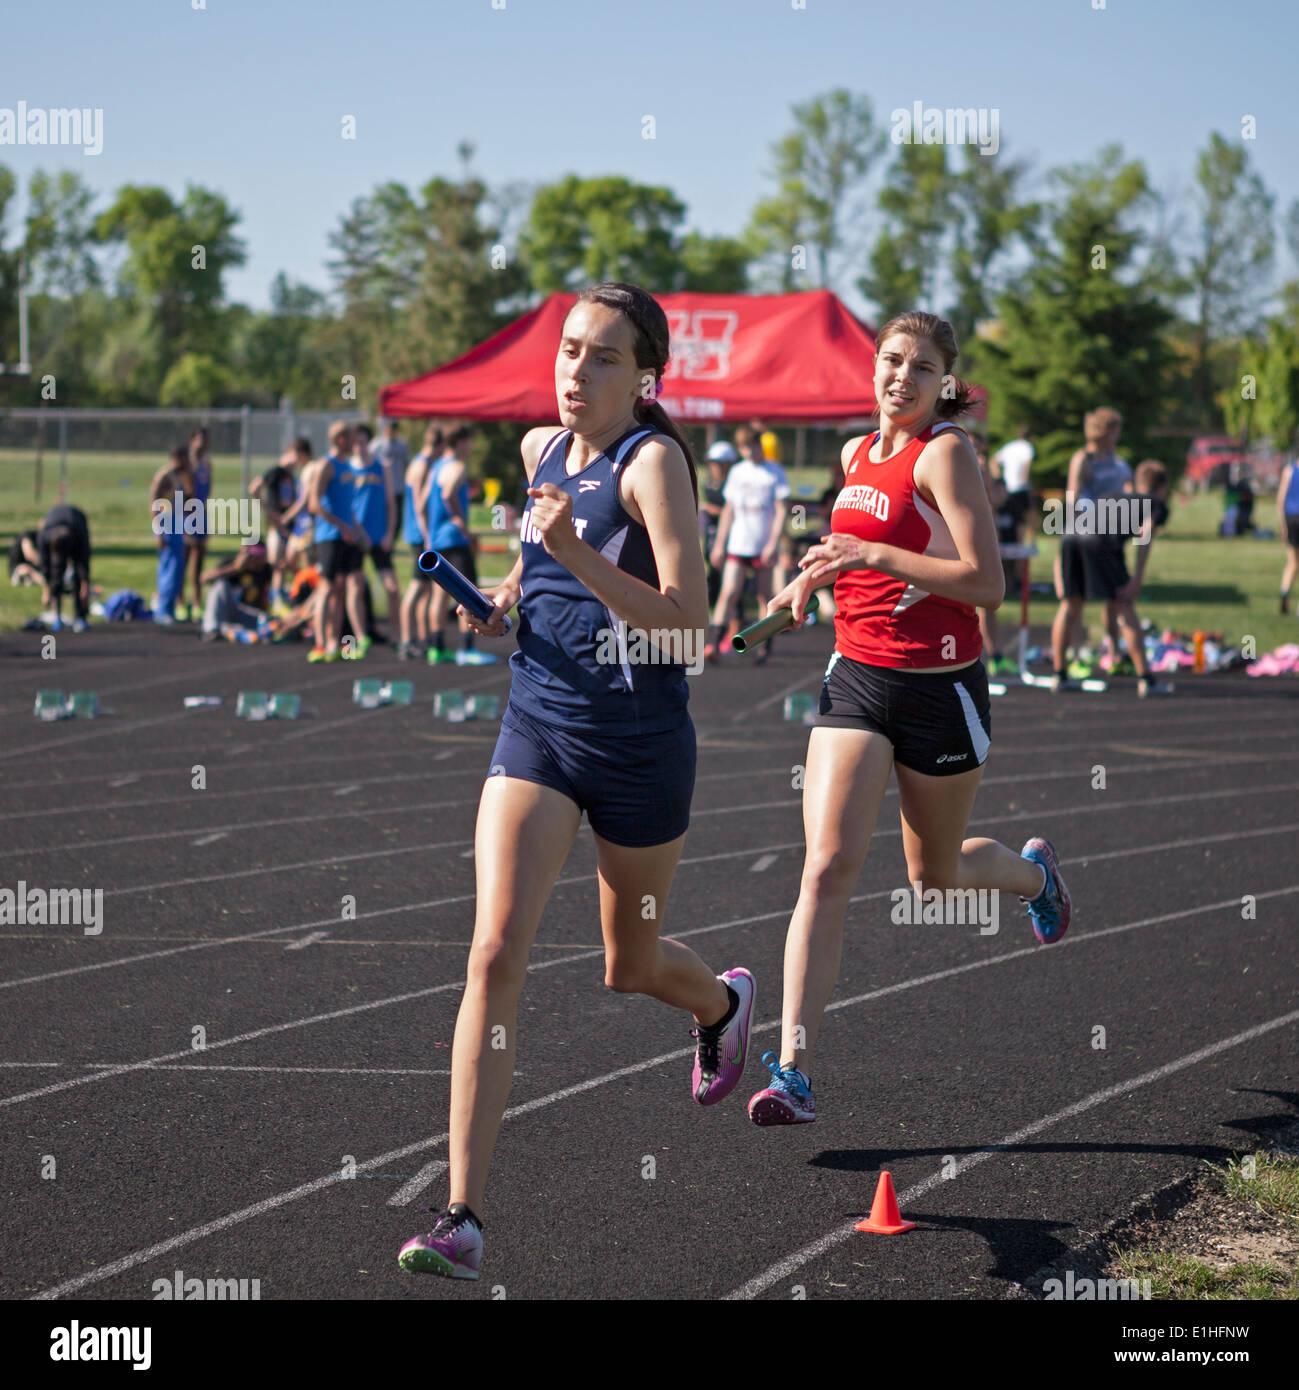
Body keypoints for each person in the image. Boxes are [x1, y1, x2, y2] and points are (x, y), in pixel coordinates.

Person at [397, 282, 755, 1280]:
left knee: (626, 966)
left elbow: (689, 623)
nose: (575, 371)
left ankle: (721, 1007)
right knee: (494, 950)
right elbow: (541, 573)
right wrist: (504, 596)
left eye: (602, 357)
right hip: (539, 729)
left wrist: (564, 553)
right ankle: (463, 1213)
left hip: (640, 748)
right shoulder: (539, 452)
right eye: (567, 349)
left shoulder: (654, 467)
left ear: (646, 378)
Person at [744, 310, 1071, 1128]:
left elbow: (983, 582)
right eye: (891, 361)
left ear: (942, 383)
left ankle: (1036, 878)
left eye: (920, 368)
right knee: (824, 868)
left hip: (940, 690)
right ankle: (793, 1069)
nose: (900, 378)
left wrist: (875, 556)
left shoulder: (946, 453)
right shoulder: (858, 452)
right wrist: (805, 582)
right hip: (855, 675)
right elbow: (848, 546)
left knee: (934, 879)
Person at [1050, 408, 1167, 696]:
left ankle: (1062, 673)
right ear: (1107, 431)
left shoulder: (1121, 465)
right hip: (1091, 535)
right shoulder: (1084, 459)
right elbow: (1073, 502)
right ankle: (1146, 680)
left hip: (1091, 537)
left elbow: (1127, 501)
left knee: (1078, 604)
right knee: (1123, 601)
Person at [706, 426, 790, 665]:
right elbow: (729, 511)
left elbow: (783, 509)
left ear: (758, 445)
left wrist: (774, 543)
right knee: (728, 592)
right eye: (743, 448)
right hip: (739, 542)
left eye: (750, 446)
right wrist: (719, 544)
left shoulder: (773, 471)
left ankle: (764, 646)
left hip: (763, 542)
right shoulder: (737, 472)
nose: (747, 452)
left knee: (766, 596)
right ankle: (714, 643)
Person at [425, 425, 489, 665]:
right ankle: (466, 649)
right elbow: (448, 494)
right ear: (461, 442)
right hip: (454, 537)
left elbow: (423, 500)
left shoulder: (435, 467)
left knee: (438, 595)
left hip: (438, 539)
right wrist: (462, 522)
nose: (472, 447)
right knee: (468, 593)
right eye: (470, 442)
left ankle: (436, 647)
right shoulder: (458, 467)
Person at [306, 422, 367, 663]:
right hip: (329, 537)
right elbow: (314, 504)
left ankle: (335, 641)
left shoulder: (348, 467)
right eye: (352, 437)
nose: (356, 442)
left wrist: (356, 529)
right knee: (327, 587)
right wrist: (340, 526)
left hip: (347, 537)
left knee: (343, 589)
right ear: (341, 439)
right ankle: (320, 644)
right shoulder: (326, 466)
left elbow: (347, 506)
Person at [351, 423, 401, 641]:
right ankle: (361, 637)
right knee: (356, 588)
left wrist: (390, 533)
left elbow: (391, 503)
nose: (358, 447)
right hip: (356, 538)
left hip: (379, 537)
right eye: (355, 443)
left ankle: (397, 635)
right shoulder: (347, 469)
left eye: (362, 442)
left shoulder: (382, 467)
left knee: (392, 588)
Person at [251, 437, 312, 610]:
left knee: (289, 565)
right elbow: (254, 489)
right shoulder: (276, 472)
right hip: (277, 527)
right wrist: (271, 513)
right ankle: (275, 602)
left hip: (289, 528)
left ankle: (289, 599)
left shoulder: (291, 476)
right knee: (277, 565)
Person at [11, 505, 93, 630]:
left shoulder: (78, 534)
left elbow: (83, 562)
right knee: (56, 573)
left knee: (77, 572)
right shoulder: (44, 537)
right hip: (57, 528)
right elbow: (45, 568)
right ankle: (58, 615)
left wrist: (85, 585)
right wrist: (47, 589)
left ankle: (79, 617)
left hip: (76, 525)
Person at [398, 426, 440, 659]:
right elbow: (418, 504)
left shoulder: (420, 462)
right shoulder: (422, 465)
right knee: (415, 588)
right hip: (418, 535)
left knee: (424, 589)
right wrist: (427, 537)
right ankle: (406, 640)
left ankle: (423, 638)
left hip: (420, 533)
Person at [149, 445, 194, 624]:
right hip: (165, 523)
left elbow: (187, 499)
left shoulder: (181, 477)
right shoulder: (164, 477)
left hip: (176, 523)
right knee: (169, 567)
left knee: (178, 567)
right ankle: (162, 609)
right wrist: (158, 532)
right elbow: (154, 503)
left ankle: (171, 607)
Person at [199, 542, 273, 642]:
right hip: (228, 609)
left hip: (246, 614)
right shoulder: (230, 564)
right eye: (257, 558)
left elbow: (265, 601)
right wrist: (236, 568)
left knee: (266, 620)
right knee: (220, 584)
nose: (260, 562)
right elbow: (204, 579)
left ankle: (231, 631)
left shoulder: (266, 570)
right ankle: (212, 629)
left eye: (262, 558)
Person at [700, 440, 736, 608]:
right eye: (713, 463)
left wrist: (711, 509)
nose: (715, 468)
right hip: (712, 531)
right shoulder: (709, 484)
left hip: (731, 533)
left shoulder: (733, 484)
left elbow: (733, 511)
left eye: (719, 464)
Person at [185, 425, 213, 621]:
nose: (203, 443)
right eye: (199, 439)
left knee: (200, 559)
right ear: (192, 440)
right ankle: (179, 601)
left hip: (202, 514)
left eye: (206, 439)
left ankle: (196, 601)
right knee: (184, 558)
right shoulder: (186, 463)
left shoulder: (207, 463)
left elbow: (207, 489)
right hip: (187, 516)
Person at [373, 420, 410, 546]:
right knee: (384, 519)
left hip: (398, 488)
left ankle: (391, 542)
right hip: (384, 490)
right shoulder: (377, 445)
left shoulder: (402, 445)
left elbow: (406, 465)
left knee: (397, 520)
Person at [1279, 453, 1299, 614]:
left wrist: (1283, 524)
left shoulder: (1289, 470)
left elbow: (1281, 499)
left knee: (1292, 561)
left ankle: (1285, 592)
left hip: (1291, 518)